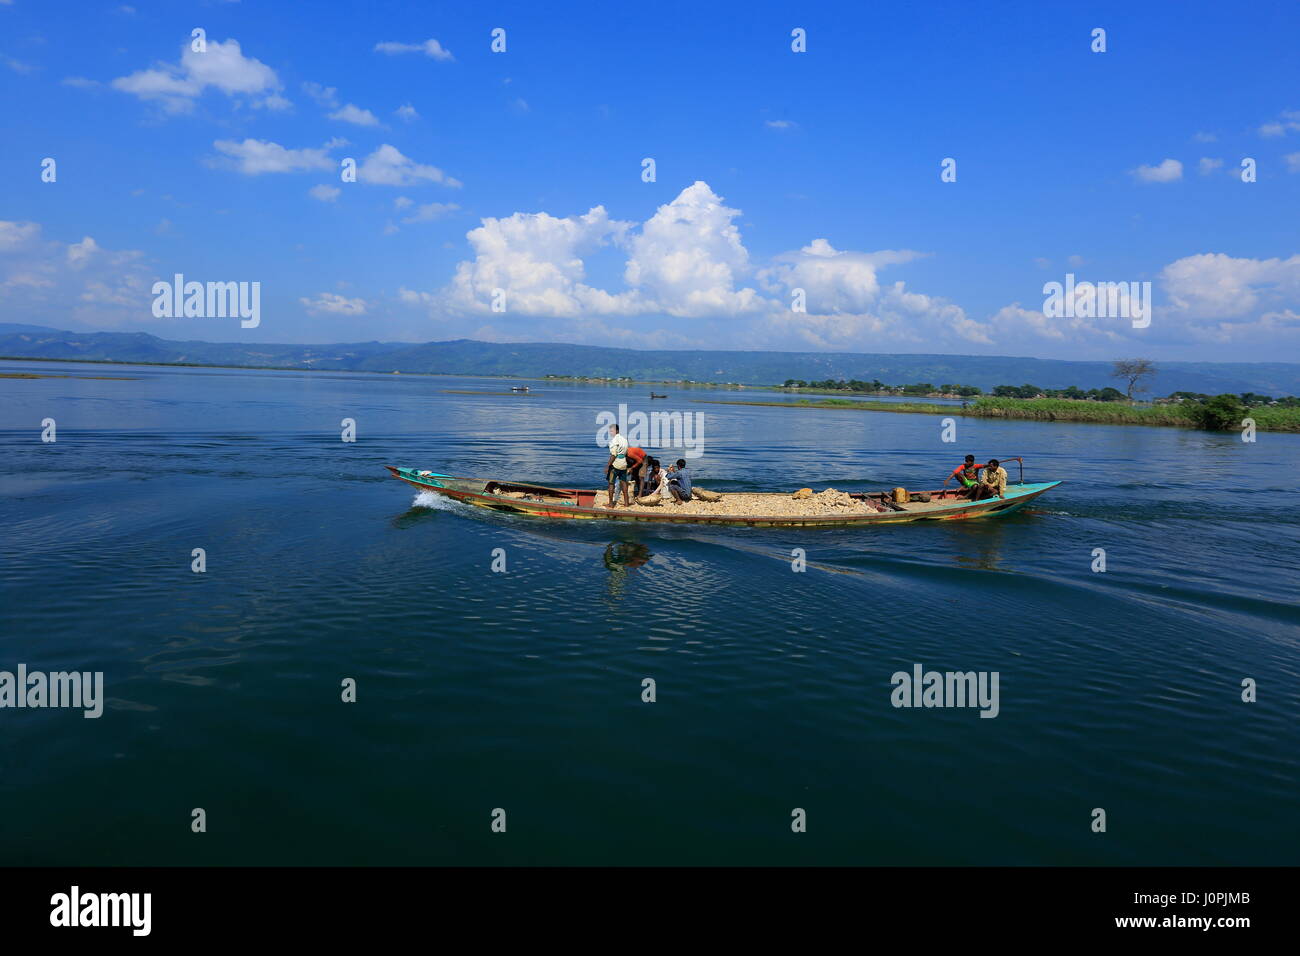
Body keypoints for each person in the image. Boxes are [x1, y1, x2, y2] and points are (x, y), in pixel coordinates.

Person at [605, 424, 631, 507]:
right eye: (610, 431)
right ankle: (626, 503)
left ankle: (611, 503)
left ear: (617, 431)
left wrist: (608, 466)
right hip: (623, 464)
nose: (611, 433)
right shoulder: (624, 440)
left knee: (611, 483)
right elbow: (626, 453)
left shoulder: (614, 441)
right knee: (624, 483)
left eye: (612, 431)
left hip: (615, 465)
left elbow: (613, 455)